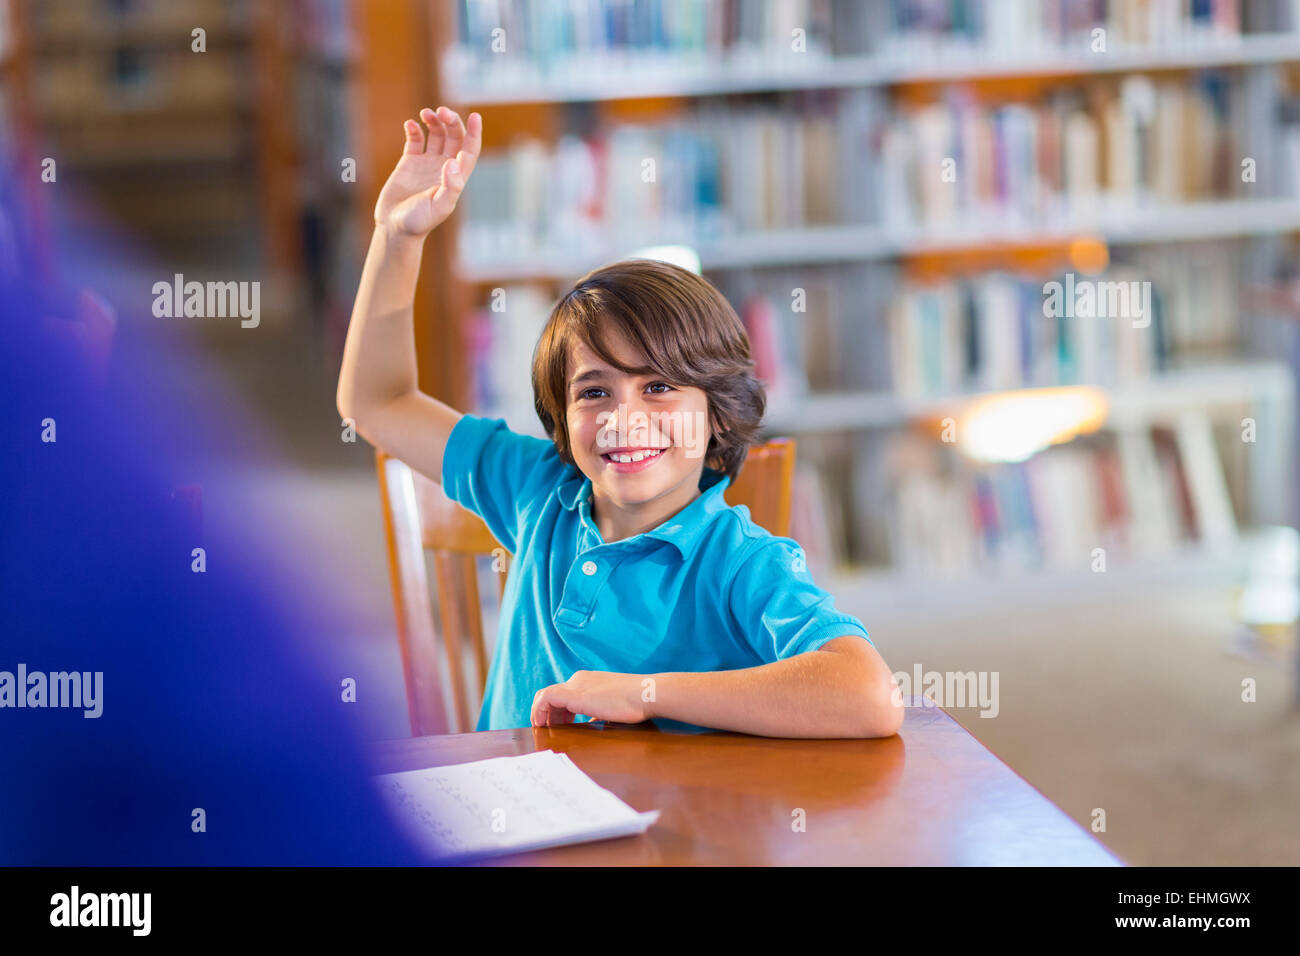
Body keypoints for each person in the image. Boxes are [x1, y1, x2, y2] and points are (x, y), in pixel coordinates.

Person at [338, 107, 902, 738]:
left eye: (658, 386)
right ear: (562, 415)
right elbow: (376, 402)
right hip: (520, 815)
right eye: (594, 391)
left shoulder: (739, 560)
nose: (622, 418)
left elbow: (868, 696)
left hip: (668, 831)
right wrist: (398, 237)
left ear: (717, 411)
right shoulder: (538, 490)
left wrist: (645, 694)